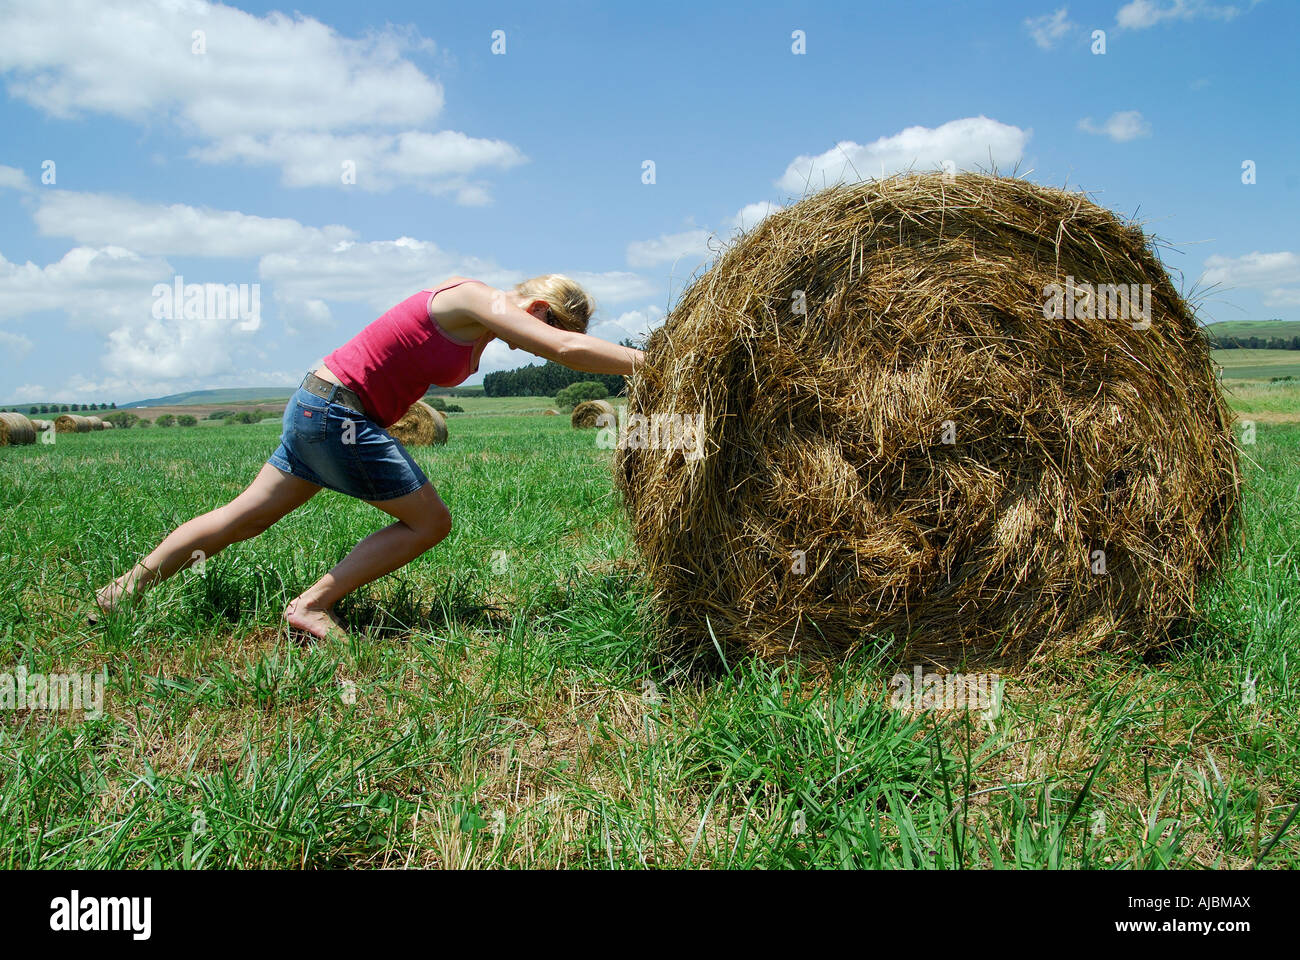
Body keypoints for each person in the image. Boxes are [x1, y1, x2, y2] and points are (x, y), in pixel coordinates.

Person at [94, 275, 644, 641]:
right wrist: (661, 360)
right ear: (540, 309)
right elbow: (567, 351)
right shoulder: (477, 298)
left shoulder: (484, 326)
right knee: (429, 523)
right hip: (338, 412)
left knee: (247, 516)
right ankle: (311, 606)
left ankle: (121, 591)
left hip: (321, 406)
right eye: (542, 331)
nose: (532, 346)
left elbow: (557, 345)